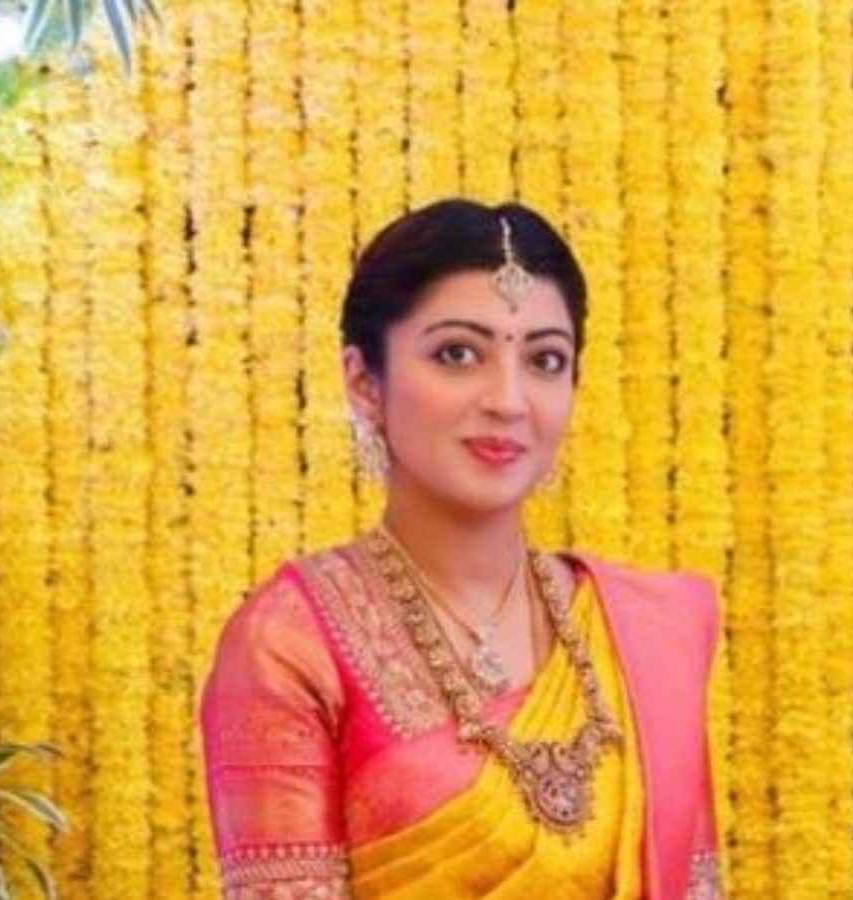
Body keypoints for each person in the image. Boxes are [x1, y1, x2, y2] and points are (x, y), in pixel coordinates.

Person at [199, 199, 723, 898]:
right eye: (458, 355)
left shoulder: (644, 630)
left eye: (544, 360)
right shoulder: (288, 643)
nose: (508, 399)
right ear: (364, 382)